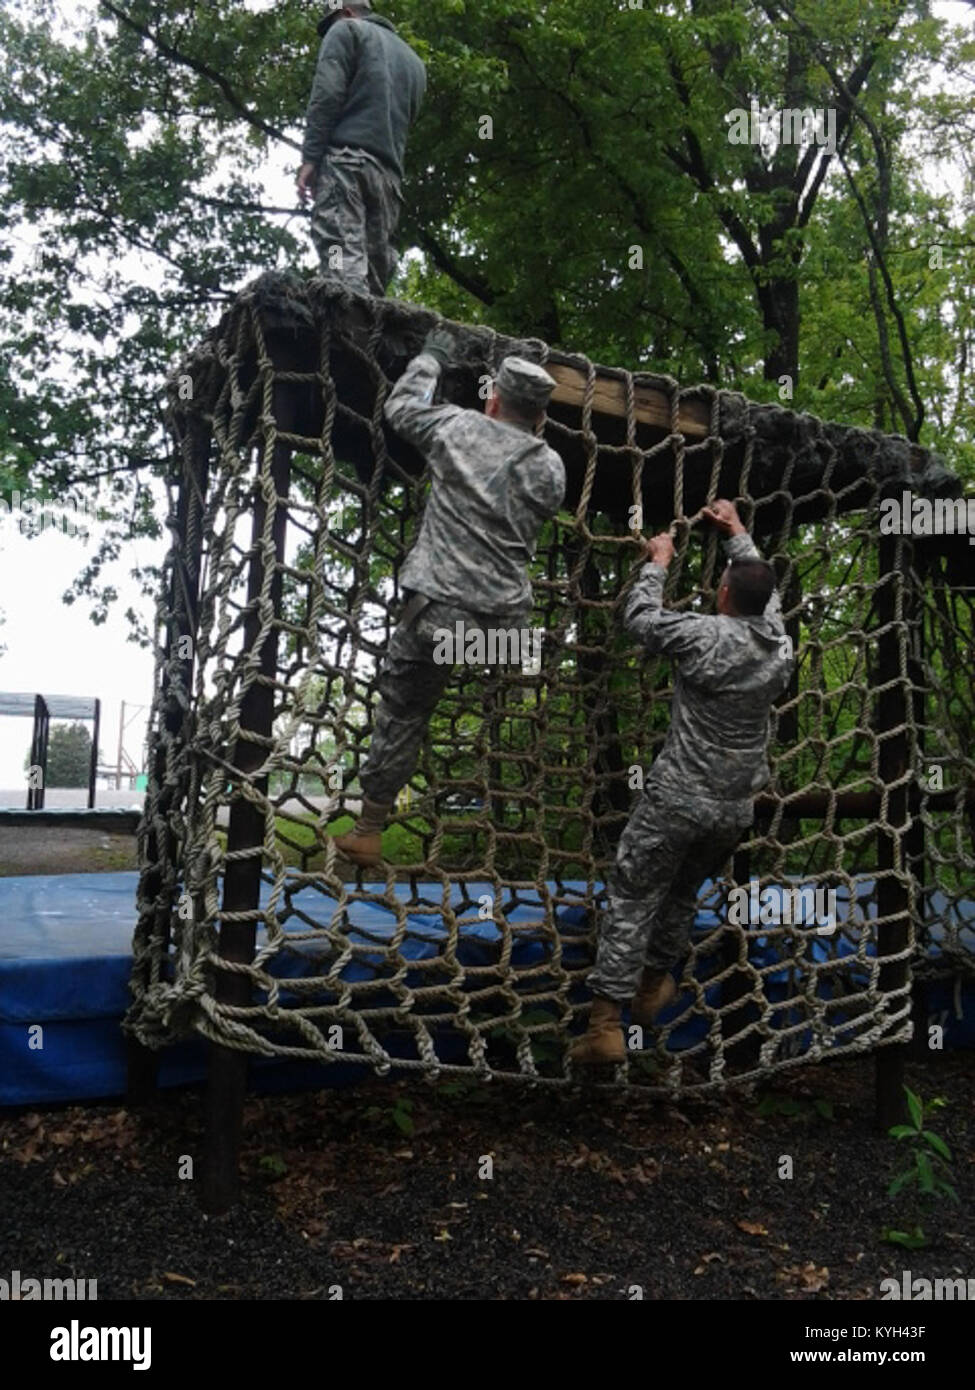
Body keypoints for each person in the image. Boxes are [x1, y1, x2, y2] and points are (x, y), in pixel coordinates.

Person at [570, 499, 794, 1065]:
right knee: (681, 895)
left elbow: (639, 620)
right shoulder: (779, 642)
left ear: (723, 596)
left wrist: (658, 561)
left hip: (676, 801)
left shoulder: (705, 635)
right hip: (732, 811)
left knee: (633, 895)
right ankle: (652, 986)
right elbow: (767, 594)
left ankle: (604, 1027)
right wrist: (738, 532)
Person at [332, 330, 566, 866]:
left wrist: (433, 357)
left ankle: (369, 828)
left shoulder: (459, 429)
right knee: (462, 669)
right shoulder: (551, 466)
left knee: (403, 710)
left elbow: (402, 408)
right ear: (539, 416)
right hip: (508, 640)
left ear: (493, 398)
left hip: (440, 621)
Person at [297, 2, 426, 296]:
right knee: (374, 275)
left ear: (345, 12)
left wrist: (310, 158)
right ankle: (371, 337)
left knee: (340, 258)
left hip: (345, 166)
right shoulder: (414, 63)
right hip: (389, 180)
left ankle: (342, 331)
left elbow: (326, 94)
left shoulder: (345, 30)